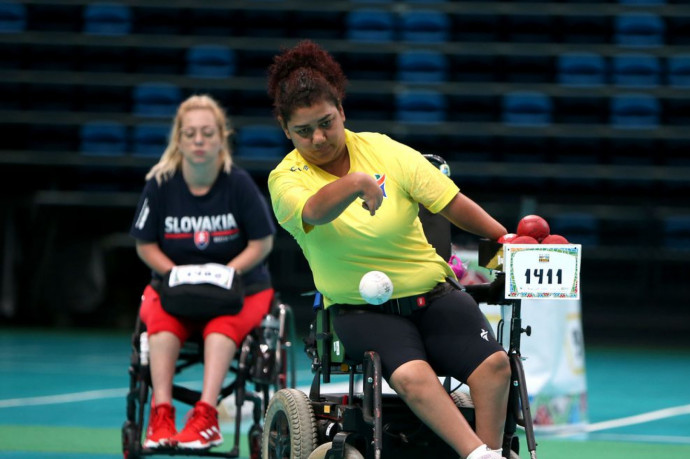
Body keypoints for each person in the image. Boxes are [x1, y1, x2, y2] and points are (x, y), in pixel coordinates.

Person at [266, 40, 511, 459]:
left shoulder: (386, 149)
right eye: (303, 131)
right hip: (361, 311)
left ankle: (487, 451)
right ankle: (479, 455)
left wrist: (505, 241)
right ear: (286, 129)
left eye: (326, 122)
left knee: (496, 367)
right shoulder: (285, 178)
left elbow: (450, 204)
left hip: (434, 295)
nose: (319, 138)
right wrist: (357, 183)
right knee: (414, 377)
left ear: (342, 110)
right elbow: (315, 211)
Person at [129, 94, 276, 450]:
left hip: (241, 289)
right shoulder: (160, 184)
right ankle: (161, 416)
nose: (198, 141)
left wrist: (224, 273)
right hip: (175, 288)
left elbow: (262, 242)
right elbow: (144, 244)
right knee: (161, 326)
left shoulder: (238, 184)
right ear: (178, 139)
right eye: (191, 133)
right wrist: (177, 274)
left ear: (221, 137)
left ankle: (206, 417)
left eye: (207, 134)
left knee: (220, 330)